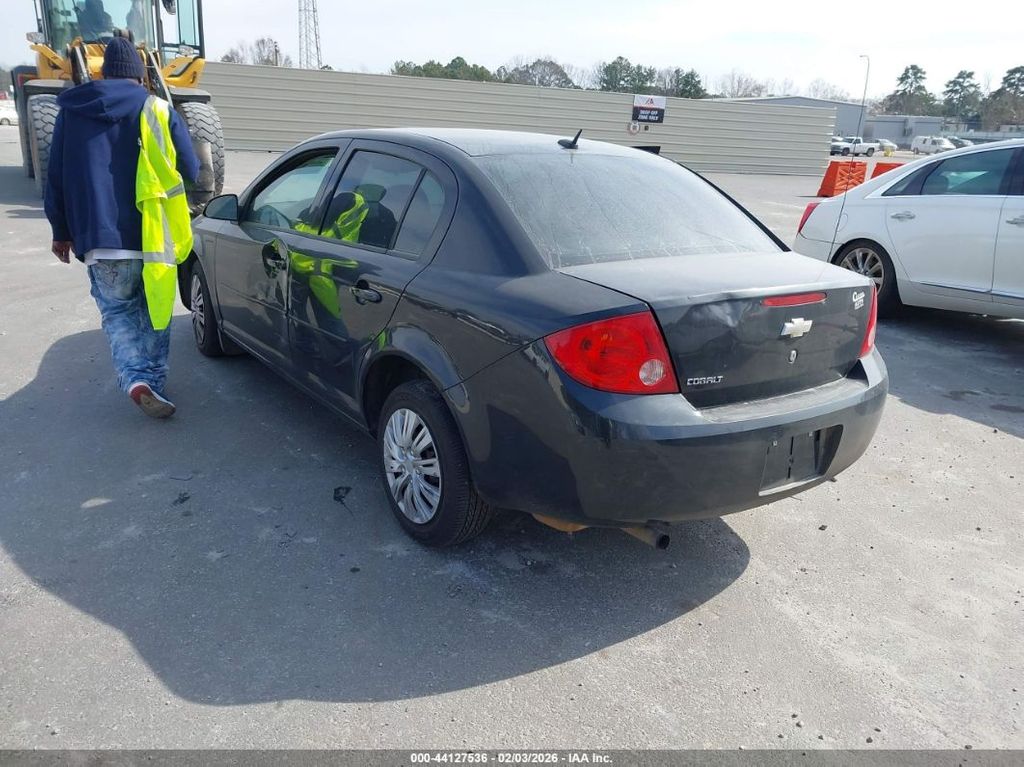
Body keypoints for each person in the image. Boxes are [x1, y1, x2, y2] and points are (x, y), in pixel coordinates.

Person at [44, 37, 200, 418]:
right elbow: (192, 169)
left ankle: (136, 380)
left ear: (106, 73)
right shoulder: (158, 109)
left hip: (100, 242)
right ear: (140, 75)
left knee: (118, 313)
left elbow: (56, 177)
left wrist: (60, 231)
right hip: (154, 236)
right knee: (156, 311)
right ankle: (152, 381)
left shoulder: (71, 112)